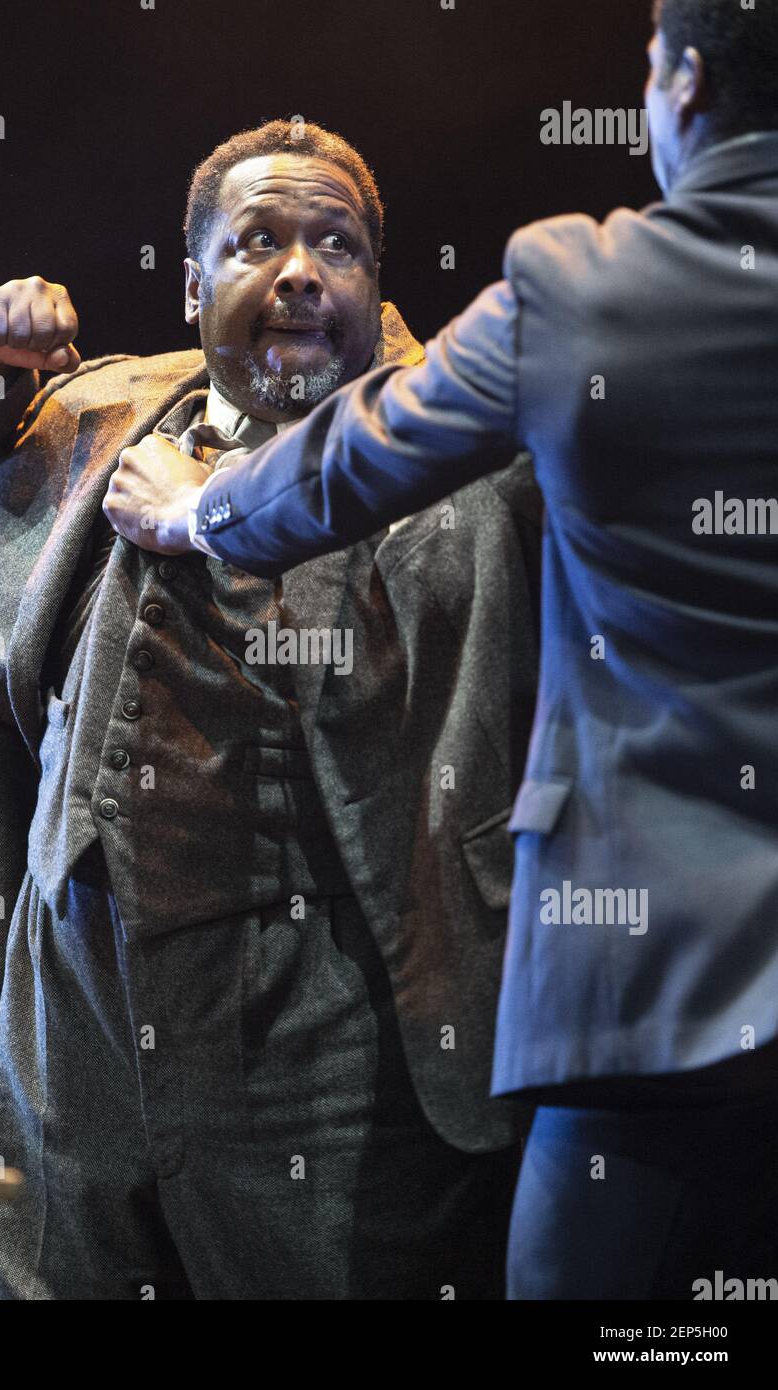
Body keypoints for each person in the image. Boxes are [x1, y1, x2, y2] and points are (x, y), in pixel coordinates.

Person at [122, 4, 778, 1299]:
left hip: (652, 990)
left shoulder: (581, 286)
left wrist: (198, 507)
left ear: (684, 80)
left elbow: (360, 452)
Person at [0, 121, 541, 1299]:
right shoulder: (109, 412)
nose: (297, 269)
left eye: (333, 244)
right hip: (75, 982)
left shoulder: (453, 449)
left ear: (373, 290)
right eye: (257, 240)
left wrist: (218, 505)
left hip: (323, 1009)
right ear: (192, 286)